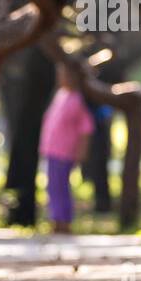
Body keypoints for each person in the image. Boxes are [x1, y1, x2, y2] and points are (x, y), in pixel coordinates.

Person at [39, 64, 94, 234]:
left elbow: (87, 128)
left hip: (65, 151)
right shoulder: (60, 95)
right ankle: (56, 220)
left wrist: (82, 151)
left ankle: (64, 222)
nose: (61, 78)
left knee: (61, 186)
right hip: (52, 150)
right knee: (52, 186)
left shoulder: (77, 99)